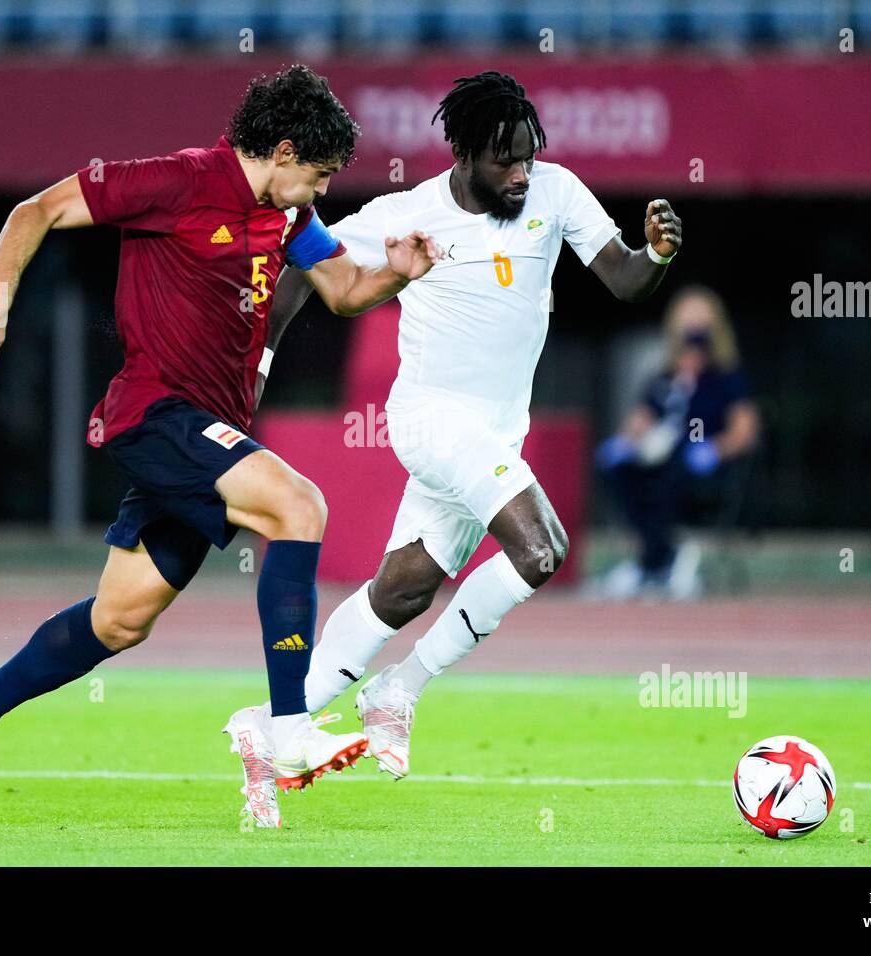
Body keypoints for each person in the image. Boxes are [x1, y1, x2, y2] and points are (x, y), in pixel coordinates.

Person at [0, 65, 443, 829]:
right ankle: (288, 724)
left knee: (120, 620)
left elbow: (345, 289)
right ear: (285, 150)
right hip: (153, 412)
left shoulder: (289, 217)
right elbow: (36, 211)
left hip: (204, 435)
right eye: (319, 176)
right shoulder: (172, 180)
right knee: (301, 506)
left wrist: (396, 274)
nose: (321, 192)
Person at [241, 71, 681, 814]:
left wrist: (659, 255)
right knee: (542, 549)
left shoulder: (557, 192)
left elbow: (625, 280)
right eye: (506, 160)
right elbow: (299, 258)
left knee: (403, 590)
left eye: (529, 157)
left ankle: (270, 727)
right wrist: (260, 361)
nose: (522, 174)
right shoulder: (408, 214)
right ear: (465, 154)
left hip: (496, 430)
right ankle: (399, 691)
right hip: (431, 419)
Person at [592, 286, 759, 601]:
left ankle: (652, 563)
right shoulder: (664, 377)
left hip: (705, 470)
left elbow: (744, 431)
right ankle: (663, 558)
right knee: (622, 469)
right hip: (665, 464)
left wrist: (713, 450)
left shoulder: (727, 377)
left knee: (671, 470)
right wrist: (627, 443)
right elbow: (639, 422)